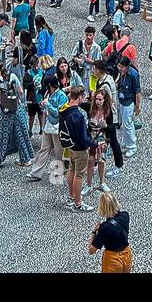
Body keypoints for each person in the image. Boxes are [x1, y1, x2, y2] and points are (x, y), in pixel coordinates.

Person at [60, 84, 99, 212]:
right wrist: (95, 144)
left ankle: (71, 197)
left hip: (70, 146)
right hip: (80, 148)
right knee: (79, 175)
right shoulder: (78, 115)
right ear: (80, 97)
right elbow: (83, 138)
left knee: (71, 169)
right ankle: (78, 203)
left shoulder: (64, 109)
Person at [89, 192, 133, 272]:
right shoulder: (125, 215)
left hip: (112, 259)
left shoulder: (105, 227)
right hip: (127, 254)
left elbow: (91, 250)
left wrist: (94, 232)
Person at [115, 57, 140, 159]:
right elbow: (119, 78)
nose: (120, 68)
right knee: (126, 124)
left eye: (122, 67)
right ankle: (128, 141)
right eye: (119, 66)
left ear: (127, 66)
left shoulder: (133, 75)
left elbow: (138, 92)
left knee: (127, 124)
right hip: (122, 99)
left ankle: (132, 147)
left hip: (129, 102)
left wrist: (137, 106)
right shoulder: (122, 73)